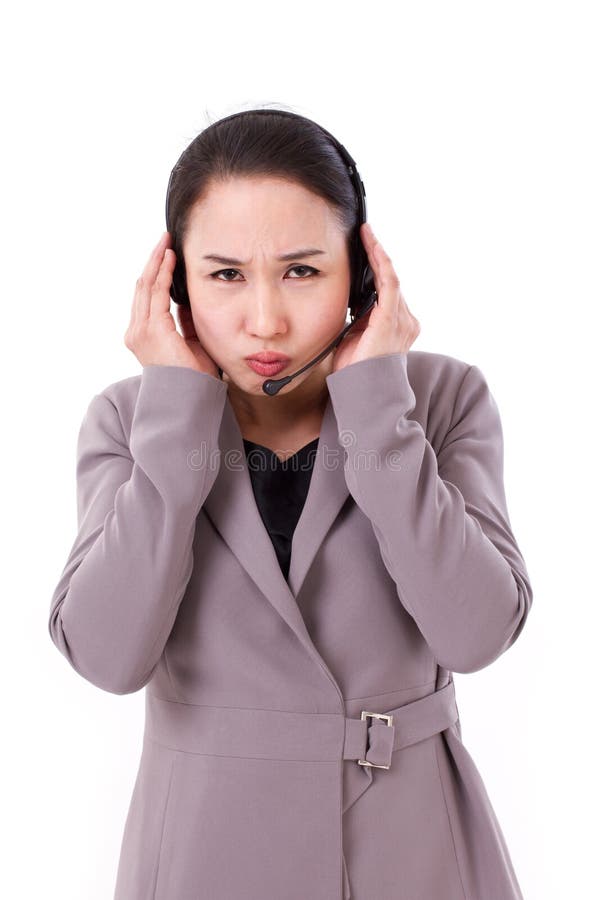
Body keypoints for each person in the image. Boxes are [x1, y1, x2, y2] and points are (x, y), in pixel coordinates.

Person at [48, 108, 533, 900]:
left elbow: (477, 633)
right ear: (174, 285)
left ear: (362, 278)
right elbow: (107, 657)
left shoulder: (441, 400)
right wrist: (175, 413)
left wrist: (377, 405)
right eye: (225, 274)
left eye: (303, 271)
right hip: (206, 862)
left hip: (410, 856)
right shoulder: (130, 419)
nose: (265, 320)